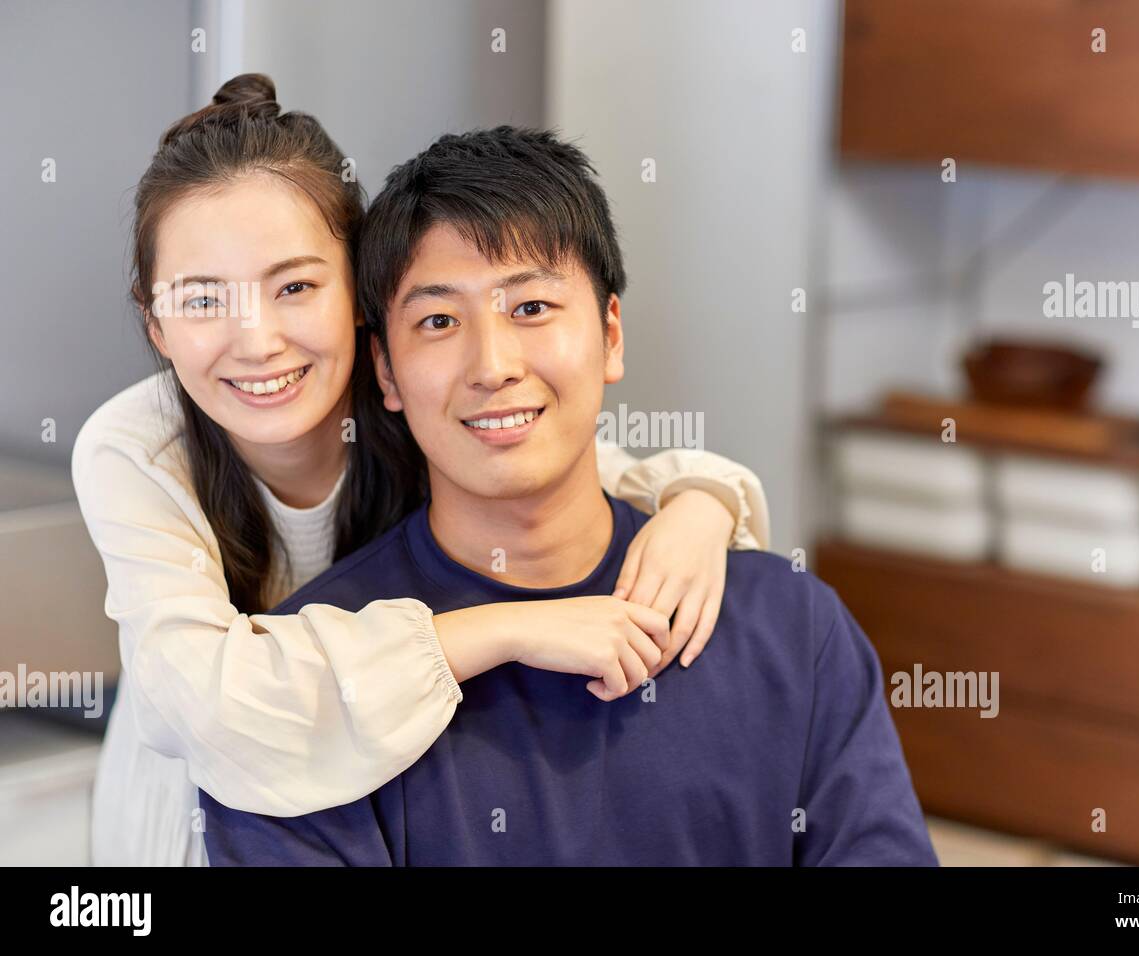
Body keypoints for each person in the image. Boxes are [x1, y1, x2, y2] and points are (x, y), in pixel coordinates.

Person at [71, 75, 772, 867]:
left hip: (385, 798)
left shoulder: (409, 396)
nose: (257, 340)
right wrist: (508, 627)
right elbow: (203, 707)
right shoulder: (136, 446)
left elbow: (584, 470)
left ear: (361, 295)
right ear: (153, 321)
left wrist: (702, 503)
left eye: (296, 286)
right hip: (193, 815)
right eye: (202, 300)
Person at [198, 126, 938, 866]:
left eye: (530, 309)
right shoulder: (306, 694)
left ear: (611, 334)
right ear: (386, 373)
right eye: (439, 321)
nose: (493, 365)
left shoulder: (790, 625)